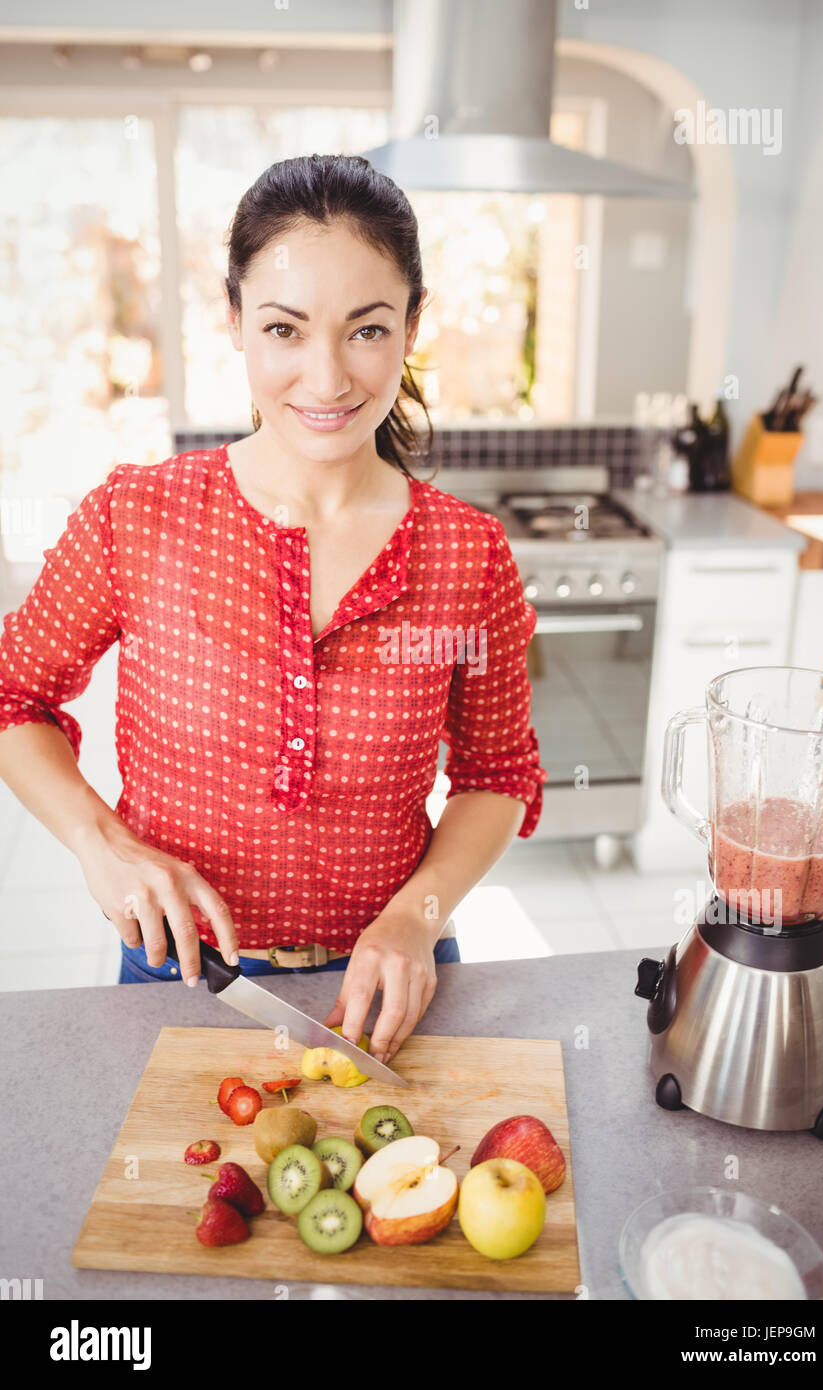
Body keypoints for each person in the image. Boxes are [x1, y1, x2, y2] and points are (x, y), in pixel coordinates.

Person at [0, 153, 547, 1067]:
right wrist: (103, 846)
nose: (326, 379)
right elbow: (14, 697)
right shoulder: (135, 518)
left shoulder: (468, 553)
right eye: (285, 329)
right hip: (183, 975)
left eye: (367, 330)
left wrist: (417, 919)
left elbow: (498, 774)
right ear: (236, 322)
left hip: (395, 977)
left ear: (413, 323)